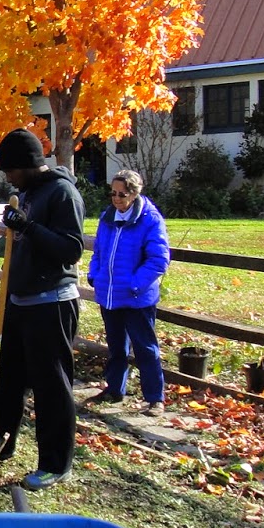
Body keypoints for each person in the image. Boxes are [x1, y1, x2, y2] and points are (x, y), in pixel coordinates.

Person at [0, 128, 85, 490]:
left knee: (50, 387)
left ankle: (56, 463)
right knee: (6, 379)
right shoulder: (24, 193)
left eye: (10, 169)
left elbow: (70, 249)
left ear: (27, 165)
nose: (6, 176)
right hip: (20, 302)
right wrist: (3, 301)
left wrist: (30, 226)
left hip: (52, 303)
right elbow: (18, 254)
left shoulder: (62, 193)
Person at [87, 170, 172, 414]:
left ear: (134, 194)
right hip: (110, 295)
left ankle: (155, 398)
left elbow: (158, 259)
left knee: (145, 348)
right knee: (116, 347)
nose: (116, 198)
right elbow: (99, 252)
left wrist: (135, 284)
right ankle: (115, 390)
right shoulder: (107, 218)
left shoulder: (151, 220)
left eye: (122, 194)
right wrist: (96, 275)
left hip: (137, 298)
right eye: (113, 193)